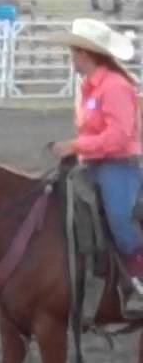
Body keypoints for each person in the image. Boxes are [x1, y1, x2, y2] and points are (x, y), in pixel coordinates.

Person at [50, 19, 143, 297]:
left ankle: (137, 268)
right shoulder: (90, 87)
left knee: (118, 216)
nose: (71, 58)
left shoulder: (114, 87)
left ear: (85, 54)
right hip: (94, 163)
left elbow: (118, 136)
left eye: (72, 52)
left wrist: (75, 146)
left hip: (119, 164)